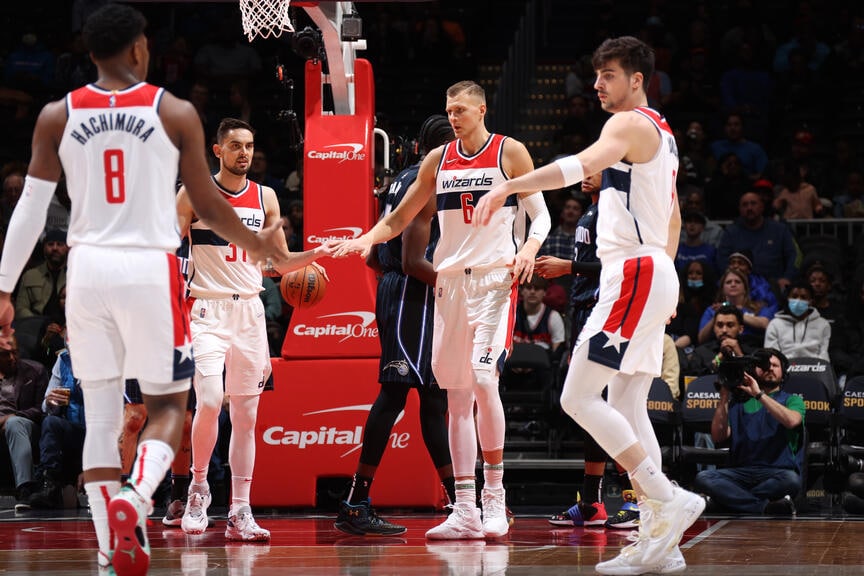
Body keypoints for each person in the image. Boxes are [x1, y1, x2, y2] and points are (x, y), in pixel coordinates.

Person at [0, 5, 290, 575]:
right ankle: (139, 495)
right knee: (169, 410)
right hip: (147, 270)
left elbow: (30, 209)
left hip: (88, 270)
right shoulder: (173, 110)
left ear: (88, 53)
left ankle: (111, 540)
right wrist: (261, 246)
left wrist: (5, 288)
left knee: (105, 416)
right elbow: (211, 207)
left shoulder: (58, 114)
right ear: (139, 50)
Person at [472, 36, 705, 575]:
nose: (597, 84)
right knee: (626, 404)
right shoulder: (662, 132)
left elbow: (576, 167)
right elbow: (672, 216)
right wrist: (666, 274)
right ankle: (660, 544)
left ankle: (665, 497)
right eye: (596, 75)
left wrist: (508, 187)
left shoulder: (628, 124)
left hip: (635, 273)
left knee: (577, 396)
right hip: (651, 271)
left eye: (609, 75)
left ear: (637, 80)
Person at [333, 80, 551, 541]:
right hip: (450, 286)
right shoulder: (438, 160)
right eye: (449, 110)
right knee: (455, 398)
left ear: (482, 110)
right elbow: (399, 218)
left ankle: (495, 497)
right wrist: (364, 239)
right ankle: (465, 509)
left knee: (484, 379)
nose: (454, 117)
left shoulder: (509, 152)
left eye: (461, 110)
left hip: (494, 282)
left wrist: (529, 248)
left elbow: (542, 215)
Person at [177, 117, 329, 541]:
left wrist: (316, 255)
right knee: (210, 400)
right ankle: (198, 488)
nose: (244, 153)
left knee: (246, 416)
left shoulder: (266, 197)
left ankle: (240, 510)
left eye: (249, 145)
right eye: (235, 146)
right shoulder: (193, 193)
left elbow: (277, 262)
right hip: (206, 309)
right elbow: (169, 250)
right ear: (218, 151)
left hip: (249, 312)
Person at [335, 114, 457, 537]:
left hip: (402, 289)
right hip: (413, 289)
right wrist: (459, 287)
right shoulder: (432, 180)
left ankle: (460, 501)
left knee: (434, 399)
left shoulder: (400, 180)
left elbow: (375, 256)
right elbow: (411, 260)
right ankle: (355, 503)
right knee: (394, 394)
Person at [536, 172, 642, 531]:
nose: (587, 174)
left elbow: (622, 267)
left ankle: (637, 498)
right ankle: (592, 503)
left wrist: (568, 267)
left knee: (613, 408)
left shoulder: (616, 210)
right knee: (588, 410)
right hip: (583, 313)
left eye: (595, 169)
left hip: (608, 315)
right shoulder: (588, 213)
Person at [692, 348, 804, 515]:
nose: (769, 368)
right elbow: (718, 436)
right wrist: (724, 396)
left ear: (783, 373)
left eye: (775, 365)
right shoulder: (738, 402)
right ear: (753, 371)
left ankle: (728, 501)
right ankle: (763, 507)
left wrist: (759, 394)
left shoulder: (792, 400)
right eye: (764, 366)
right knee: (703, 478)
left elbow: (792, 421)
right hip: (739, 473)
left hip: (776, 472)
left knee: (792, 480)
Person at [28, 347, 86, 509]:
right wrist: (50, 402)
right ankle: (49, 484)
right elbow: (46, 405)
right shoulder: (63, 359)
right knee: (50, 422)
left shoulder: (105, 360)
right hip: (73, 428)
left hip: (99, 429)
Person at [717, 191, 800, 296]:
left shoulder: (780, 230)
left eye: (753, 203)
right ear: (740, 209)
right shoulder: (731, 232)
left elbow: (795, 256)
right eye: (745, 205)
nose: (749, 208)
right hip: (741, 285)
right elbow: (722, 260)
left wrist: (787, 277)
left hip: (775, 285)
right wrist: (732, 279)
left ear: (762, 207)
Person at [0, 336, 48, 512]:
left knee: (14, 424)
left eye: (15, 352)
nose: (12, 358)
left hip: (26, 425)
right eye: (6, 354)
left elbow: (43, 408)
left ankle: (26, 489)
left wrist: (13, 416)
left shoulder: (35, 371)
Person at [698, 268, 773, 347]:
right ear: (722, 289)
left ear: (745, 288)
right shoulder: (713, 310)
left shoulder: (758, 307)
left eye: (737, 282)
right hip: (719, 347)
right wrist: (717, 315)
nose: (733, 284)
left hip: (752, 348)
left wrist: (735, 311)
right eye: (728, 282)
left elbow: (765, 324)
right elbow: (701, 339)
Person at [764, 279, 831, 361]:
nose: (798, 300)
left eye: (803, 297)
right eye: (794, 296)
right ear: (788, 298)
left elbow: (824, 355)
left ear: (811, 301)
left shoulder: (823, 324)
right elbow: (772, 356)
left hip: (815, 367)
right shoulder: (774, 324)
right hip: (784, 367)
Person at [14, 228, 67, 320]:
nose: (55, 248)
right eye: (50, 244)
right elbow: (20, 309)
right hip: (36, 325)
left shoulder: (76, 276)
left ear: (67, 248)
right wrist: (40, 323)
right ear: (44, 248)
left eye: (59, 244)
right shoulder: (30, 275)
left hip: (69, 326)